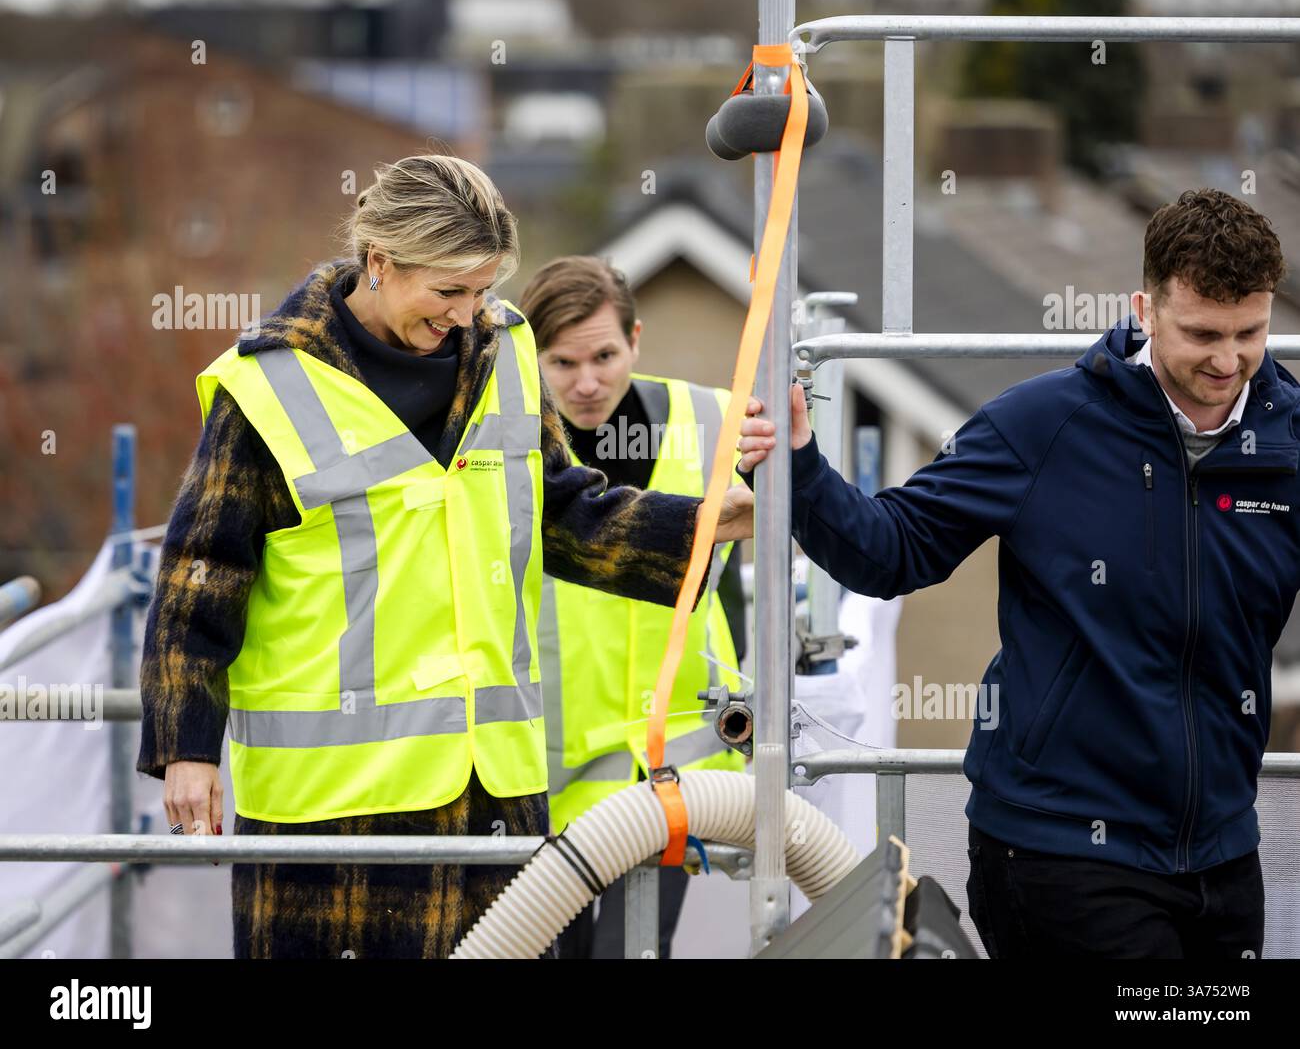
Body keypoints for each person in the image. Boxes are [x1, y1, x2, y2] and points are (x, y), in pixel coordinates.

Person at [135, 154, 753, 959]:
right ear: (380, 263)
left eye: (484, 290)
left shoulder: (502, 354)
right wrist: (186, 748)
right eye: (449, 291)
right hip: (330, 814)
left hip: (491, 797)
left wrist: (705, 524)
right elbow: (201, 574)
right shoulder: (269, 390)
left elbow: (563, 511)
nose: (468, 314)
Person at [737, 188, 1290, 959]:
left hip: (1225, 856)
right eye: (1202, 333)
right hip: (1061, 854)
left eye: (1251, 333)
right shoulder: (1041, 425)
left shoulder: (1288, 443)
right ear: (1146, 308)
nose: (1228, 361)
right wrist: (797, 465)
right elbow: (892, 549)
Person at [518, 255, 748, 959]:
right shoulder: (502, 447)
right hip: (542, 777)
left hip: (671, 771)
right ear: (528, 358)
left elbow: (737, 595)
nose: (587, 384)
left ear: (636, 339)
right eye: (561, 363)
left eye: (605, 356)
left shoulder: (714, 422)